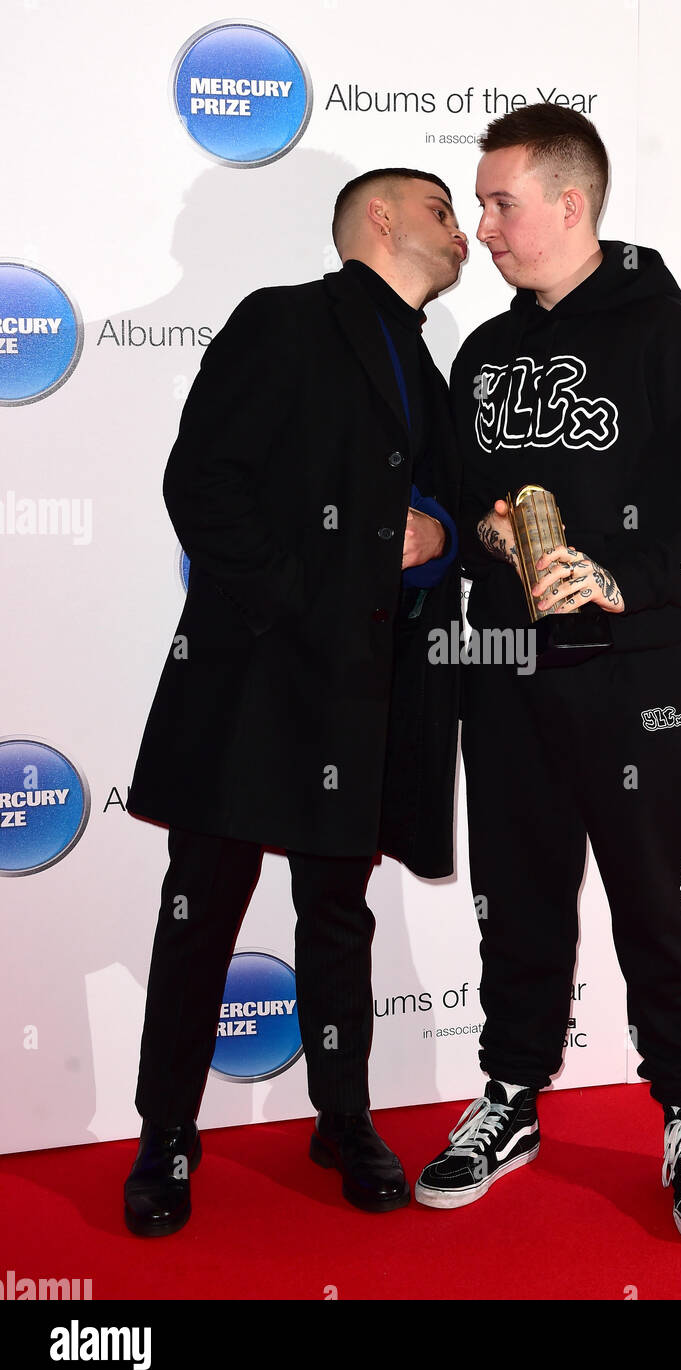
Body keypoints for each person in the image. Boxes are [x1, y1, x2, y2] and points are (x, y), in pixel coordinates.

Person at [414, 106, 681, 1242]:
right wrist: (483, 532)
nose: (482, 227)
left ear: (569, 205)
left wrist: (625, 581)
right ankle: (511, 1099)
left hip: (635, 675)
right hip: (505, 663)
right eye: (476, 203)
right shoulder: (479, 353)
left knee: (657, 907)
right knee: (513, 899)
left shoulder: (668, 336)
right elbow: (464, 502)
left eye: (499, 203)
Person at [123, 168, 468, 1235]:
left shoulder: (427, 362)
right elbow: (201, 485)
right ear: (379, 218)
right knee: (201, 914)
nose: (461, 233)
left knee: (338, 918)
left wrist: (442, 537)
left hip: (368, 696)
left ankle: (342, 1118)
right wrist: (302, 601)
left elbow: (445, 504)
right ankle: (166, 1137)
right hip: (258, 683)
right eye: (442, 210)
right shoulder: (281, 321)